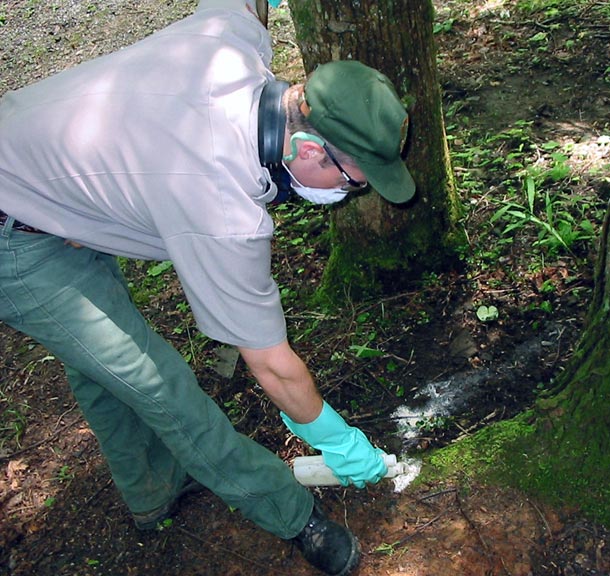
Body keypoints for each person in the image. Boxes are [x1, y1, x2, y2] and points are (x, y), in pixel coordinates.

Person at [0, 0, 415, 573]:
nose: (350, 195)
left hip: (46, 190)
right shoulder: (222, 212)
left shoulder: (234, 38)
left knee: (97, 363)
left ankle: (152, 494)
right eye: (351, 183)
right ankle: (292, 515)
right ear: (308, 150)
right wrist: (340, 442)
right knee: (162, 388)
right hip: (14, 231)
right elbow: (271, 365)